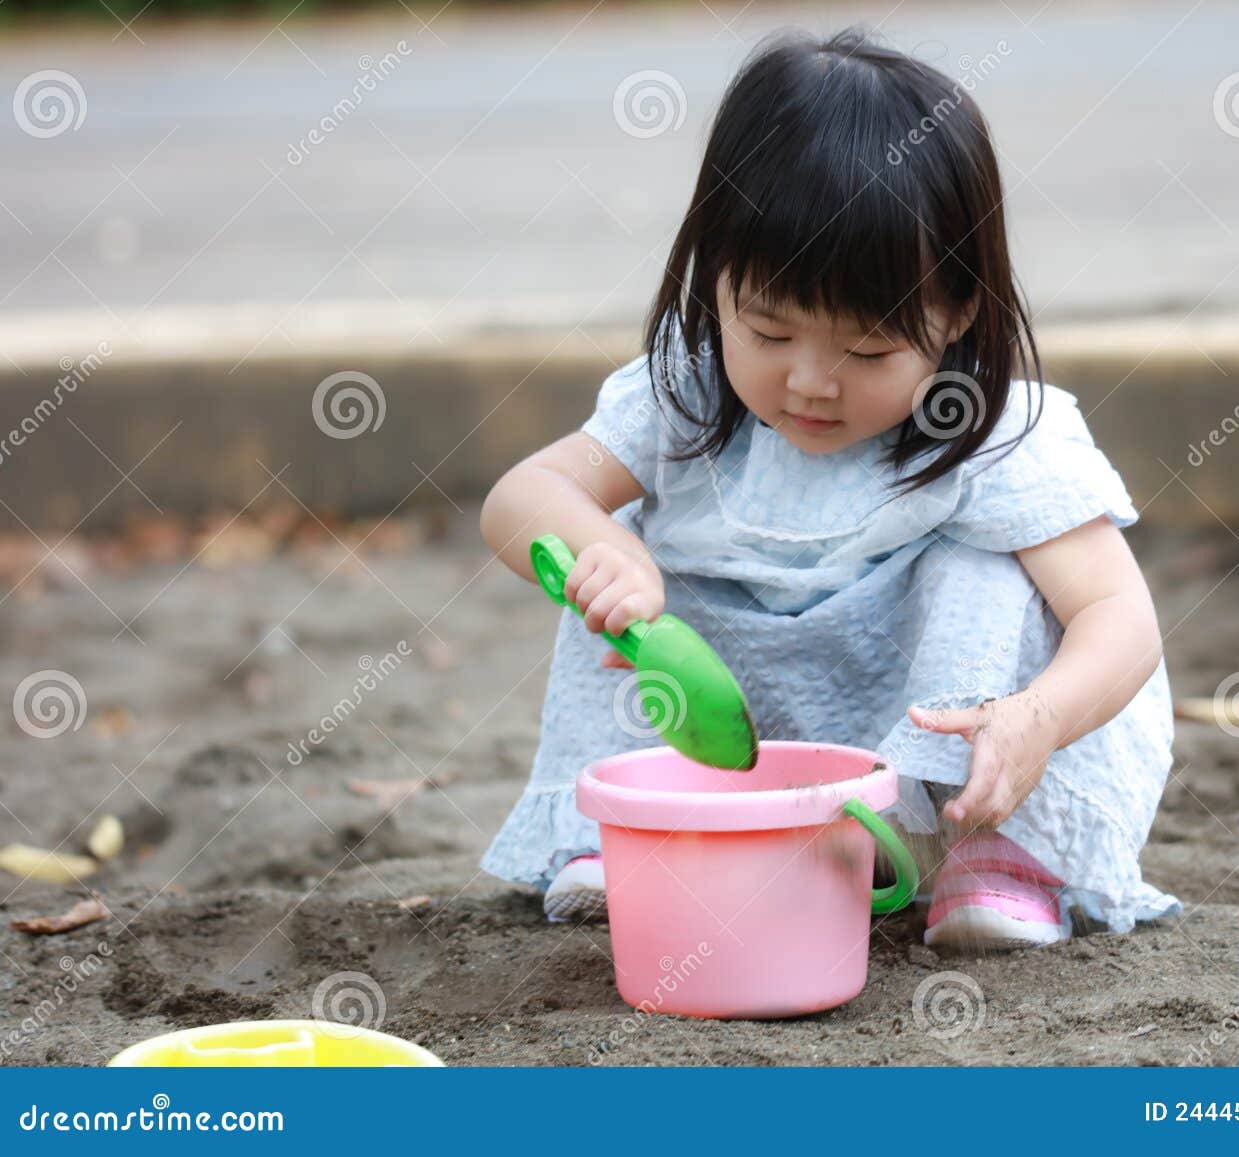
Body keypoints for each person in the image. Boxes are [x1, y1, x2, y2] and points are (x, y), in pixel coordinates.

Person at [479, 28, 1178, 950]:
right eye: (769, 333)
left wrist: (1038, 718)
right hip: (731, 747)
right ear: (715, 274)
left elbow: (1121, 618)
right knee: (606, 571)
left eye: (869, 350)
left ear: (960, 311)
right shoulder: (685, 396)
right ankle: (647, 824)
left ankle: (990, 856)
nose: (811, 381)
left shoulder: (994, 432)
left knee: (987, 572)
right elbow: (521, 495)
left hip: (933, 770)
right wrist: (603, 547)